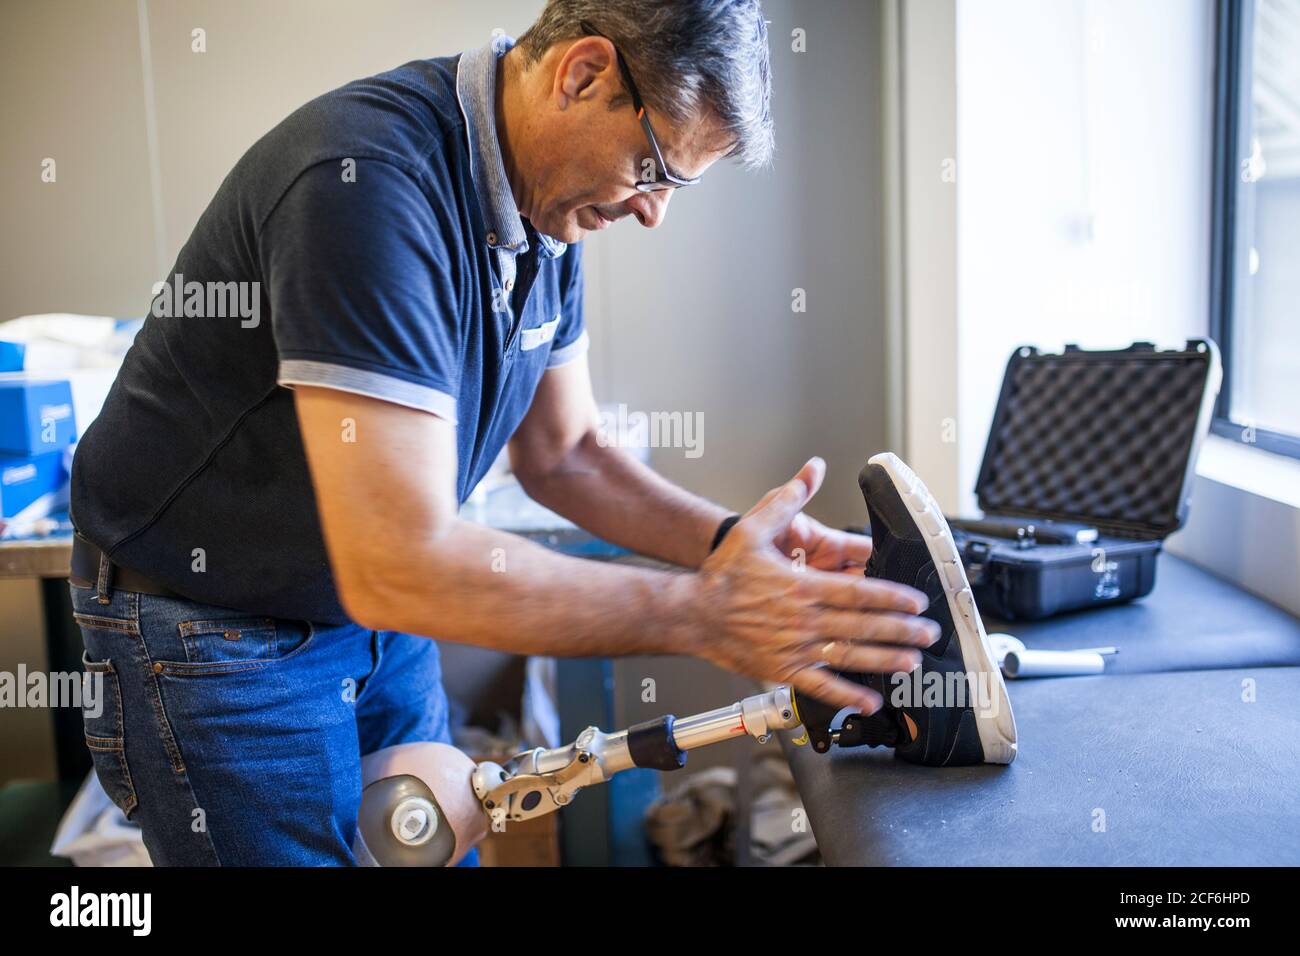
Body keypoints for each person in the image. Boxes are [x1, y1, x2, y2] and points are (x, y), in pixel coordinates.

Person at [68, 0, 937, 865]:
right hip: (214, 631)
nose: (653, 211)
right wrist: (706, 615)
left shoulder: (546, 206)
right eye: (654, 166)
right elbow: (399, 562)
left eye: (675, 184)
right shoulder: (365, 185)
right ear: (584, 73)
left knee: (430, 854)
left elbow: (567, 455)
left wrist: (734, 550)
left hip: (365, 613)